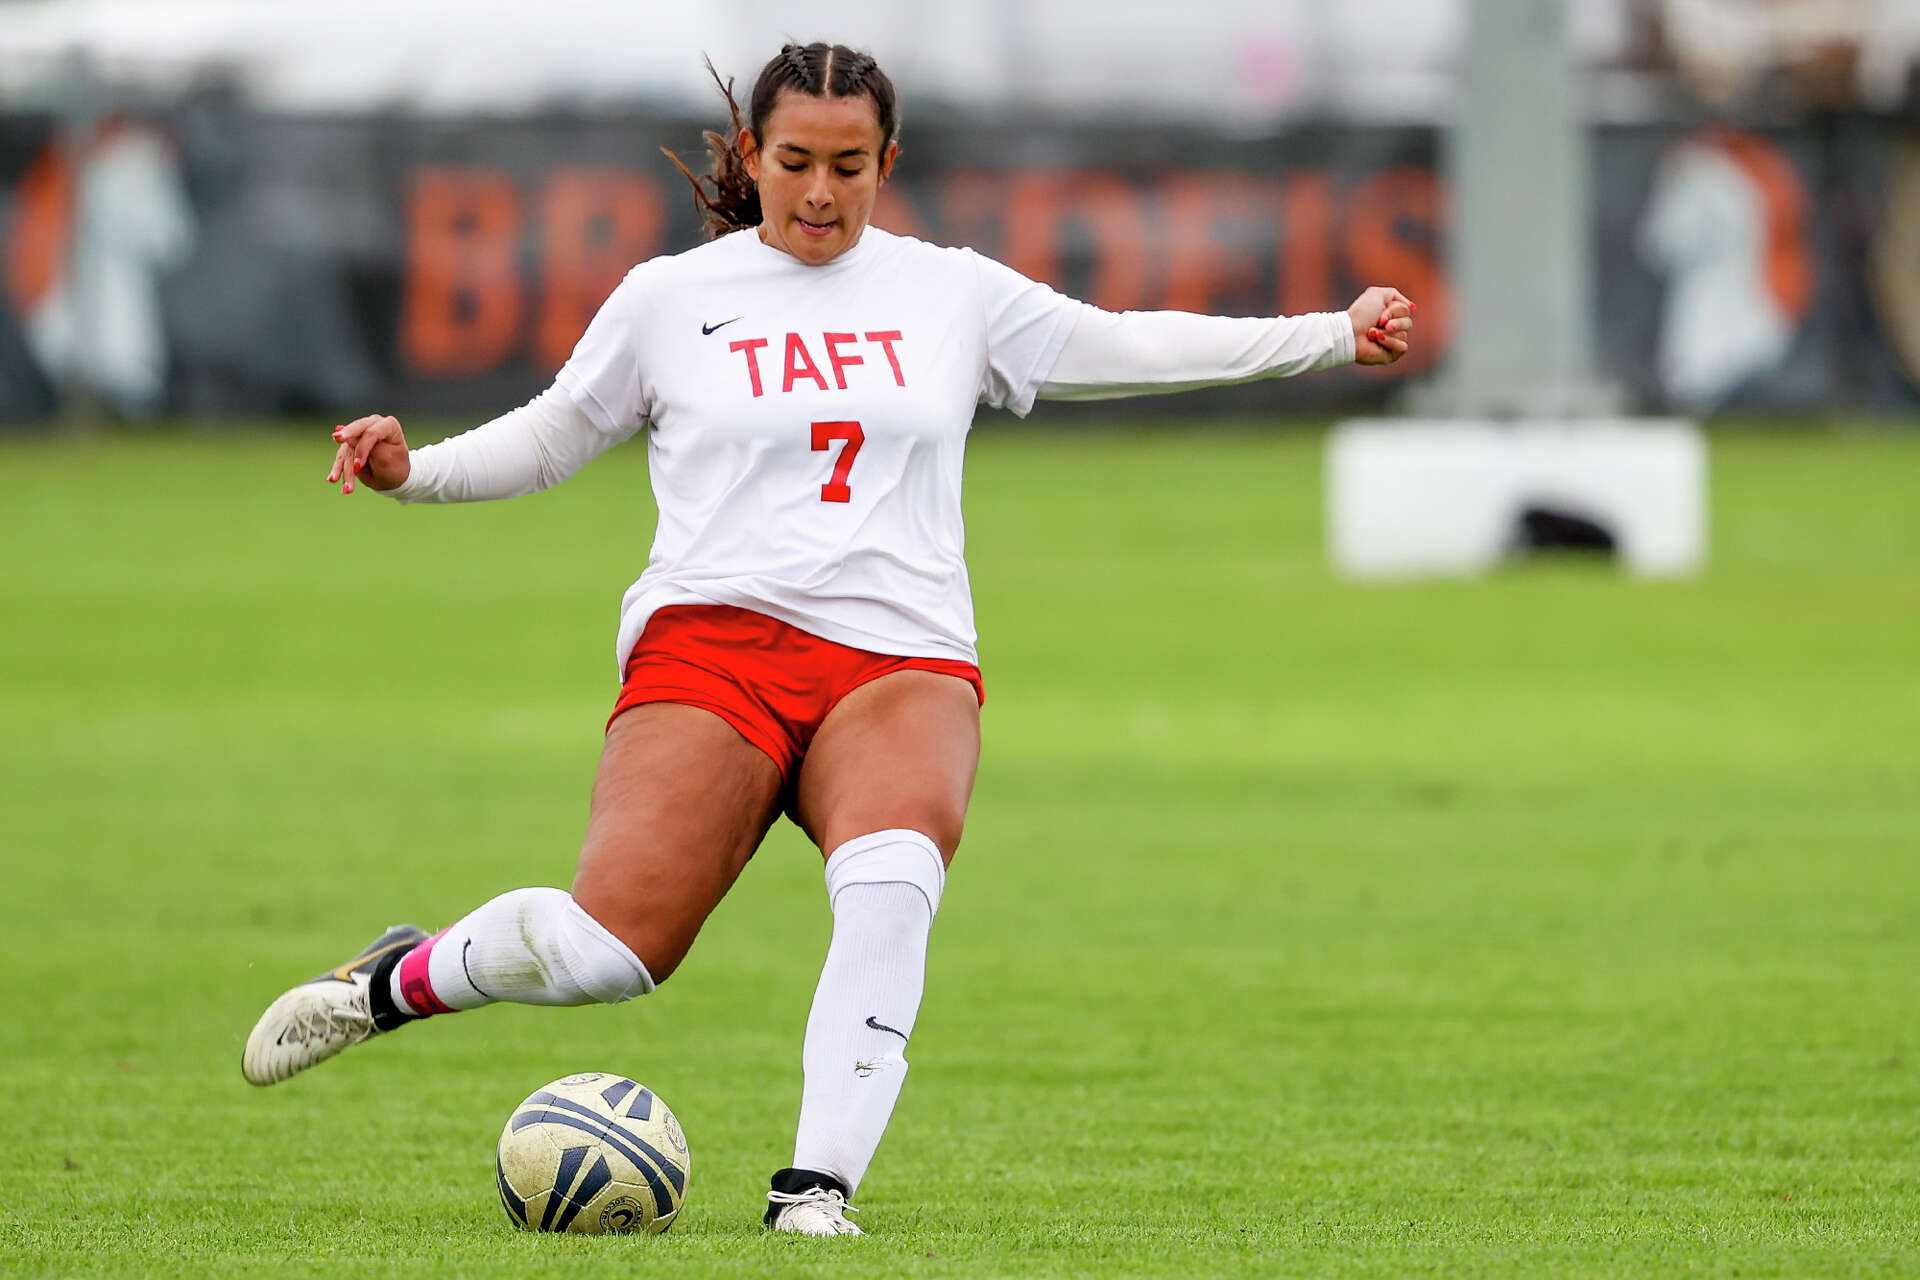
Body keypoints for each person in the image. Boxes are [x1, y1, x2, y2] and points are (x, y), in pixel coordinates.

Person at [242, 41, 1417, 1237]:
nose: (818, 193)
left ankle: (814, 1190)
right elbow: (552, 436)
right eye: (794, 161)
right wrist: (409, 471)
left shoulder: (949, 291)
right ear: (752, 156)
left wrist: (1328, 333)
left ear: (886, 162)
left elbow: (1126, 345)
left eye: (848, 166)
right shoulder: (671, 297)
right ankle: (400, 977)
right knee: (609, 953)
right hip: (714, 649)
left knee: (894, 879)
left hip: (900, 658)